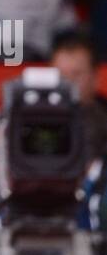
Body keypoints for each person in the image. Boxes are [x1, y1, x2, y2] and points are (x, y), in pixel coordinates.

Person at [50, 30, 107, 164]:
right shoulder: (30, 115)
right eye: (61, 75)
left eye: (76, 75)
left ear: (94, 77)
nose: (67, 83)